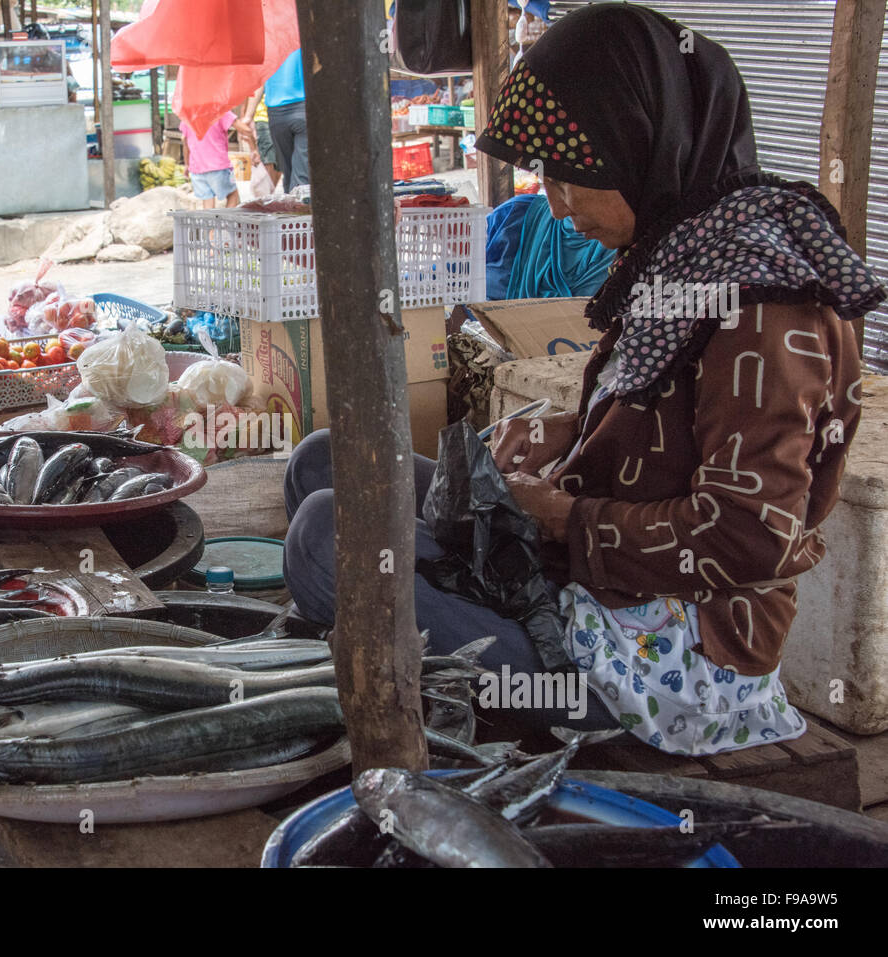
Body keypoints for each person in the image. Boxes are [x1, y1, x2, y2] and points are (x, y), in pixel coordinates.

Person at [282, 3, 884, 754]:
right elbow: (661, 419)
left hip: (667, 657)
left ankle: (504, 713)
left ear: (639, 143)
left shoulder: (760, 301)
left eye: (571, 178)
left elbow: (748, 534)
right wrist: (546, 436)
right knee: (323, 458)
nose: (558, 209)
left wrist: (558, 517)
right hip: (595, 585)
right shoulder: (686, 242)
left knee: (321, 540)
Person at [484, 192, 614, 299]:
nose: (556, 211)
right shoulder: (514, 214)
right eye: (549, 184)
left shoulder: (620, 251)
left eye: (563, 185)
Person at [264, 49, 308, 192]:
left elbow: (260, 79)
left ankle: (293, 207)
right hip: (302, 107)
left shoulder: (269, 42)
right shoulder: (302, 35)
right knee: (301, 173)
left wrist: (248, 115)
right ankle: (300, 209)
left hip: (275, 112)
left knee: (288, 172)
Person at [180, 111, 239, 209]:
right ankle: (226, 223)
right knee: (233, 194)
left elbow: (185, 142)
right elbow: (243, 128)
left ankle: (211, 224)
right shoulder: (219, 111)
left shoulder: (188, 115)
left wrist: (187, 165)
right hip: (217, 166)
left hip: (197, 169)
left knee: (208, 202)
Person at [236, 85, 281, 193]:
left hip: (280, 116)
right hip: (263, 119)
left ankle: (270, 194)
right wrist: (246, 119)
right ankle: (268, 196)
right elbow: (248, 97)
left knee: (280, 163)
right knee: (269, 159)